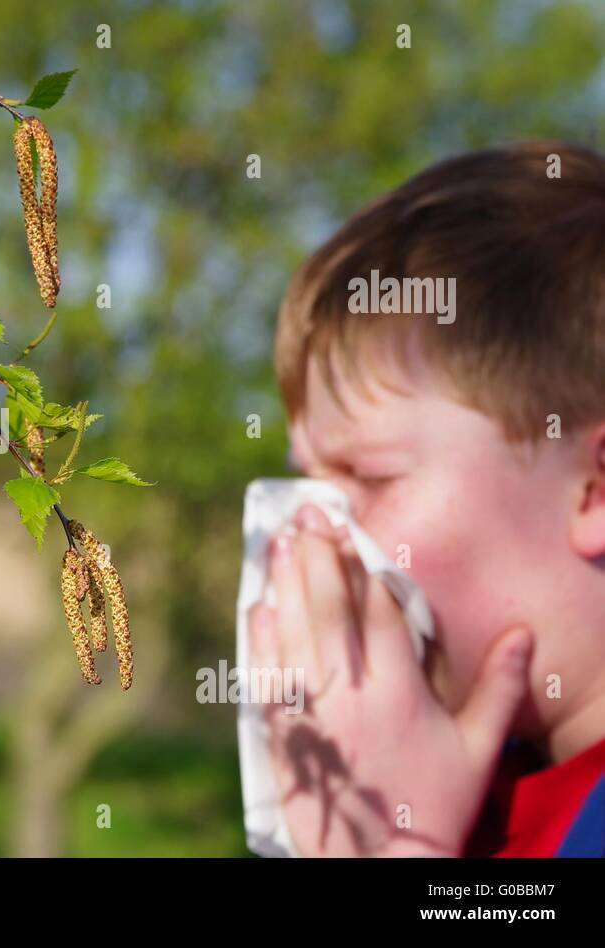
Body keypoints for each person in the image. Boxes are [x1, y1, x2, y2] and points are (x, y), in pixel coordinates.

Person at [249, 142, 605, 856]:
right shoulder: (459, 785)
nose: (310, 531)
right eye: (308, 481)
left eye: (370, 478)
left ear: (595, 492)